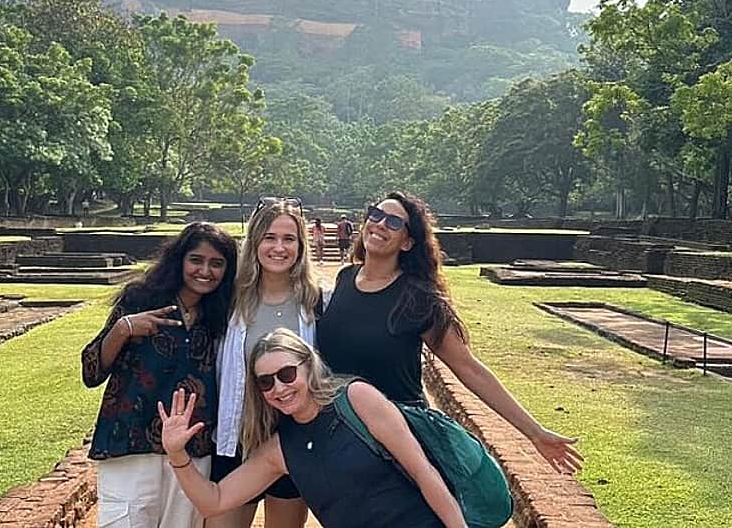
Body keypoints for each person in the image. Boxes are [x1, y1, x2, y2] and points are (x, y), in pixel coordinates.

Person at [316, 191, 583, 476]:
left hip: (395, 442)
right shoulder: (345, 278)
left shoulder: (417, 299)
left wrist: (534, 432)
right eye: (376, 214)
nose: (381, 224)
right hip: (341, 432)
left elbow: (468, 368)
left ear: (407, 242)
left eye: (394, 222)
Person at [160, 329, 466, 528]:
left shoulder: (356, 399)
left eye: (287, 373)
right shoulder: (280, 450)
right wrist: (177, 454)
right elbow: (213, 501)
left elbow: (423, 473)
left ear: (308, 365)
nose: (279, 387)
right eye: (266, 382)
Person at [81, 222, 238, 528]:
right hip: (131, 444)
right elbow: (91, 371)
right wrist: (123, 328)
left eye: (216, 263)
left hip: (192, 450)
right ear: (179, 259)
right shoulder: (141, 300)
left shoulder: (221, 315)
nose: (205, 270)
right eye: (196, 260)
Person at [210, 201, 323, 528]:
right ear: (255, 242)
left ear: (301, 246)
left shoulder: (315, 302)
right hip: (236, 438)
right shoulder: (230, 300)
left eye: (289, 239)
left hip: (292, 441)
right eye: (269, 237)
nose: (279, 247)